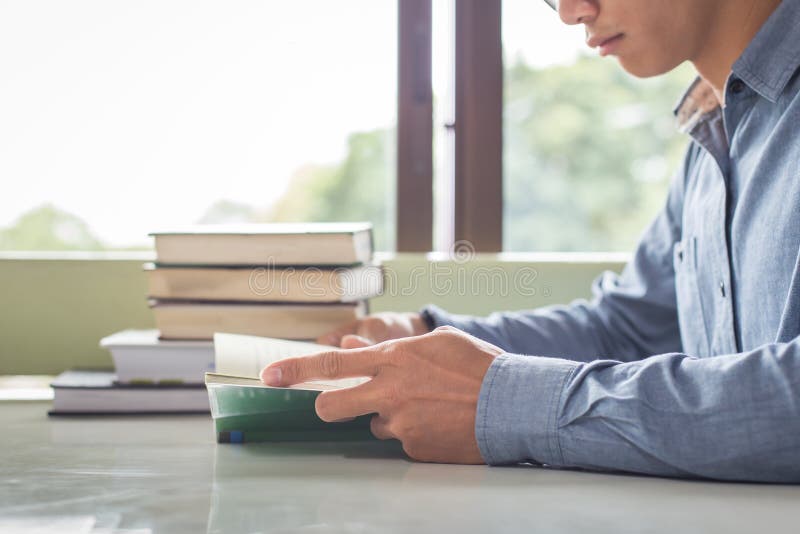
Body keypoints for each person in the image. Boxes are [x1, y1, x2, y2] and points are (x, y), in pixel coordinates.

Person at [261, 0, 800, 482]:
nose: (570, 11)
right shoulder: (709, 148)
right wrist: (425, 336)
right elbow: (628, 330)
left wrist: (509, 403)